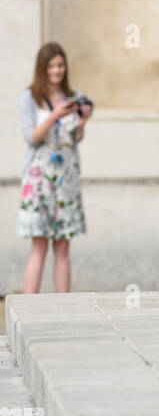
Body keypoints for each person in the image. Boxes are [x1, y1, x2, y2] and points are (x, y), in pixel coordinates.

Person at [17, 41, 93, 292]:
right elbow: (32, 137)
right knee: (39, 243)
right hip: (40, 175)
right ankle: (28, 308)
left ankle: (63, 307)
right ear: (42, 68)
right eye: (51, 66)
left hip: (67, 174)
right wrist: (54, 115)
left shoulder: (73, 95)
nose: (56, 71)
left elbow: (74, 138)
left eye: (60, 65)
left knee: (62, 245)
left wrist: (81, 122)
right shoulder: (29, 97)